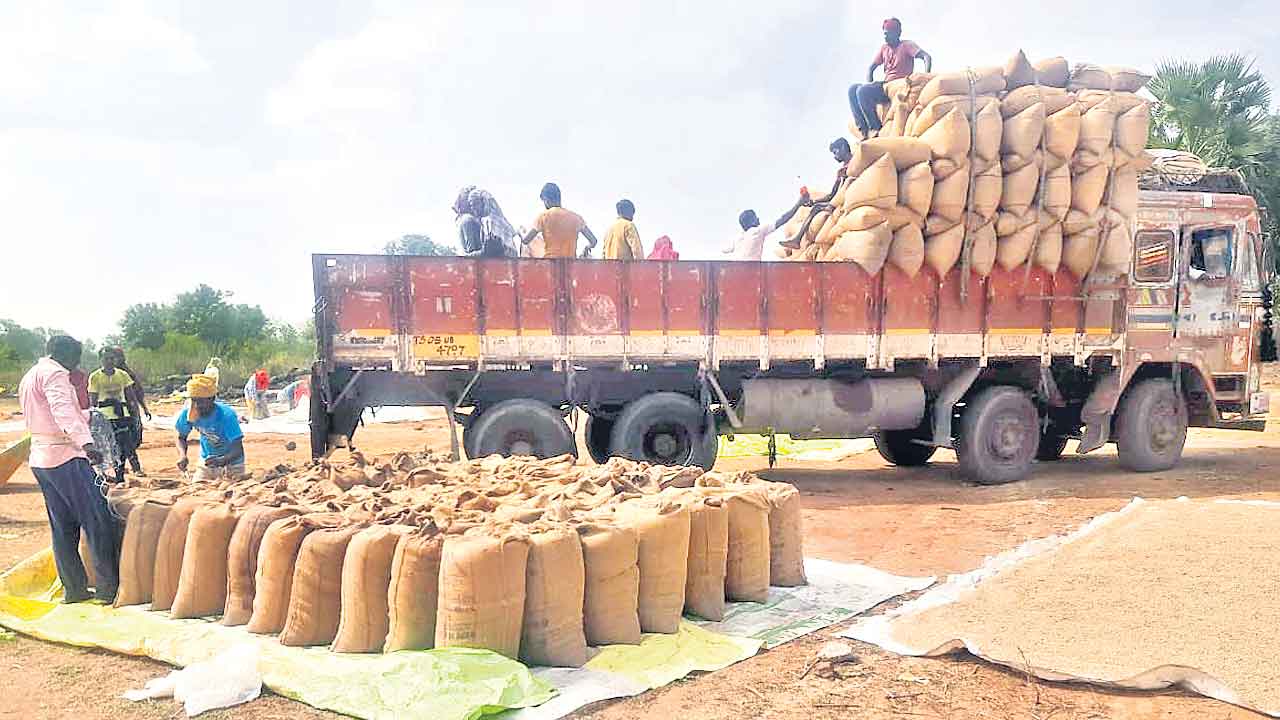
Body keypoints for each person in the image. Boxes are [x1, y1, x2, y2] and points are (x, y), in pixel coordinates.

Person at [18, 335, 120, 603]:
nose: (76, 365)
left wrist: (86, 416)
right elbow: (61, 410)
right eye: (76, 357)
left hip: (41, 458)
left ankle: (74, 589)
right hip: (65, 456)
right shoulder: (55, 374)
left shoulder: (31, 375)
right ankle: (107, 589)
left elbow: (42, 414)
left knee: (62, 527)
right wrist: (87, 443)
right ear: (65, 354)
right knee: (97, 519)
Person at [848, 18, 932, 139]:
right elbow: (871, 68)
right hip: (885, 85)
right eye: (884, 34)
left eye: (888, 34)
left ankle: (876, 128)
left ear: (897, 33)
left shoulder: (906, 45)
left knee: (862, 91)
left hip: (898, 85)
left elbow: (926, 57)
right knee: (853, 89)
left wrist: (926, 75)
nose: (885, 37)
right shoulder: (884, 48)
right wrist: (870, 83)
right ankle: (863, 129)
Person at [781, 138, 854, 250]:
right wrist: (813, 202)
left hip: (848, 199)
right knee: (815, 207)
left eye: (835, 152)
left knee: (816, 208)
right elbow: (832, 195)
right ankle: (797, 239)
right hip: (838, 201)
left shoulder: (856, 161)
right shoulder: (840, 172)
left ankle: (797, 239)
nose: (835, 156)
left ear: (843, 148)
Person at [176, 374, 246, 481]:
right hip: (207, 463)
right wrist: (182, 456)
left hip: (232, 464)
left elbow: (238, 450)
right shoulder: (189, 413)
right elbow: (181, 437)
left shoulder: (226, 415)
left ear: (212, 399)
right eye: (193, 400)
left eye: (201, 401)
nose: (197, 405)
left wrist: (221, 461)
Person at [88, 348, 139, 483]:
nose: (110, 361)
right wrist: (92, 417)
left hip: (122, 415)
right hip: (105, 417)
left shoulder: (122, 375)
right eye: (106, 359)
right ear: (101, 360)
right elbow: (93, 399)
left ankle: (122, 473)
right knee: (109, 447)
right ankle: (106, 474)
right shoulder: (95, 377)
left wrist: (136, 412)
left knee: (125, 445)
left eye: (112, 358)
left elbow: (130, 396)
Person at [723, 191, 810, 261]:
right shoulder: (757, 231)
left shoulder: (739, 238)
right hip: (752, 272)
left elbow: (725, 250)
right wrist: (799, 203)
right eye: (755, 217)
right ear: (751, 221)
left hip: (738, 271)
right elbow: (783, 219)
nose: (758, 218)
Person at [522, 183, 598, 258]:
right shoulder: (576, 218)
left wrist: (520, 233)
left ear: (546, 199)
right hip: (571, 265)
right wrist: (587, 247)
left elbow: (526, 240)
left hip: (550, 265)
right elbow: (593, 241)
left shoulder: (544, 216)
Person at [110, 347, 151, 477]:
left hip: (131, 411)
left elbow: (137, 392)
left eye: (120, 356)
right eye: (115, 356)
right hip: (115, 414)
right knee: (124, 441)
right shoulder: (104, 375)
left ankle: (123, 468)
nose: (119, 359)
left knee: (135, 439)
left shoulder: (127, 373)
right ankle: (132, 468)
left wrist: (144, 408)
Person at [454, 186, 518, 257]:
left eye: (474, 204)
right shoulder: (471, 220)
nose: (473, 208)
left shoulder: (490, 221)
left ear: (483, 202)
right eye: (471, 205)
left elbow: (496, 249)